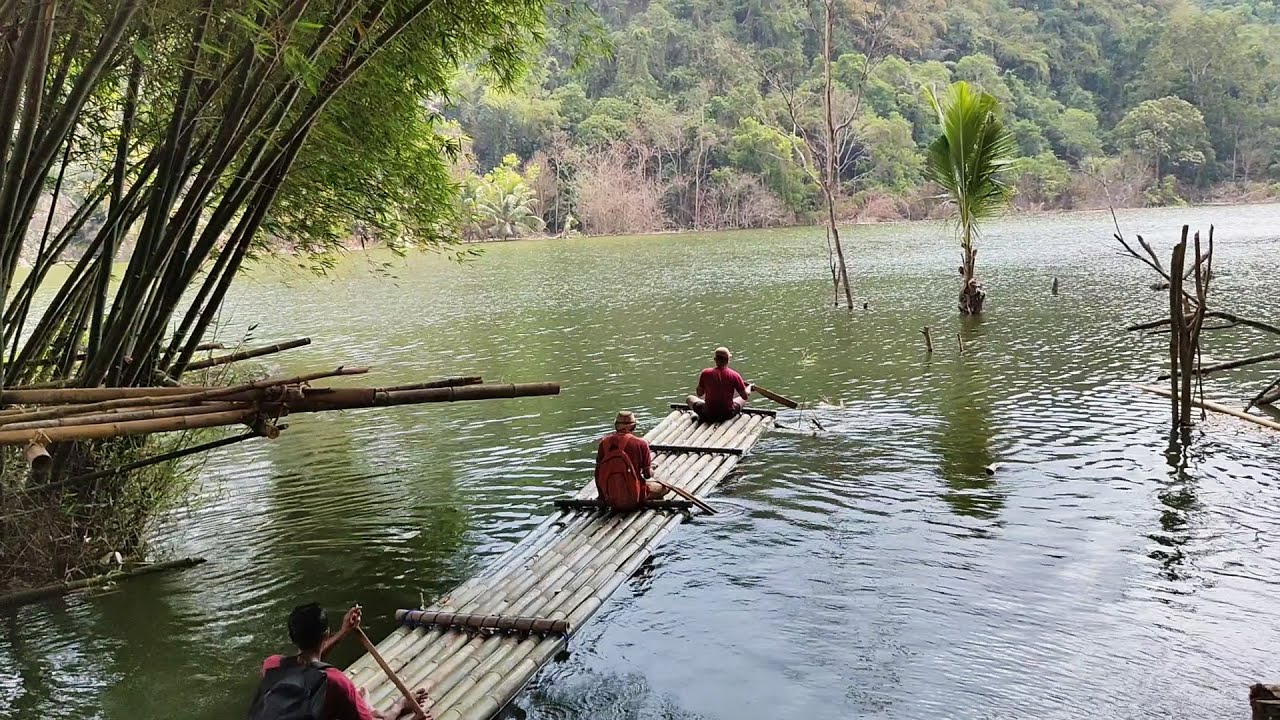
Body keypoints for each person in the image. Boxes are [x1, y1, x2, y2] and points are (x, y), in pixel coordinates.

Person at [249, 603, 432, 720]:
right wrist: (398, 707)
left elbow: (308, 661)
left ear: (292, 637)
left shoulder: (271, 665)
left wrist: (344, 631)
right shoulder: (334, 681)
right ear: (326, 634)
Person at [594, 410, 666, 510]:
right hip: (634, 495)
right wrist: (651, 469)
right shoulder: (641, 443)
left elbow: (598, 473)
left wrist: (601, 496)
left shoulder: (604, 442)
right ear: (634, 426)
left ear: (616, 425)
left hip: (609, 495)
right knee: (664, 488)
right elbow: (647, 475)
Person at [687, 346, 752, 422]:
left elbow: (699, 393)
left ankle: (700, 412)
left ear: (715, 359)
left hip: (708, 413)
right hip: (728, 413)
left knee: (689, 398)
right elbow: (745, 396)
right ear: (728, 360)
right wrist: (749, 387)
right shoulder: (735, 375)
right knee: (742, 399)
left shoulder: (705, 373)